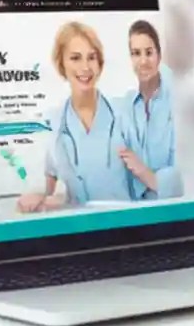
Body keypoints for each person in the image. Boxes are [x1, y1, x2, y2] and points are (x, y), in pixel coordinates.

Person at [16, 21, 135, 212]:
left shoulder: (124, 114)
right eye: (75, 58)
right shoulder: (55, 123)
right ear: (61, 63)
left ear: (100, 63)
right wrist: (38, 197)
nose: (85, 67)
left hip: (129, 228)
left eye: (91, 57)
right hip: (79, 232)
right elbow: (49, 186)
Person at [117, 19, 182, 200]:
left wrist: (145, 174)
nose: (143, 61)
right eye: (136, 53)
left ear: (159, 56)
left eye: (149, 52)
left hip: (171, 213)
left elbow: (186, 175)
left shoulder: (177, 103)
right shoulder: (125, 107)